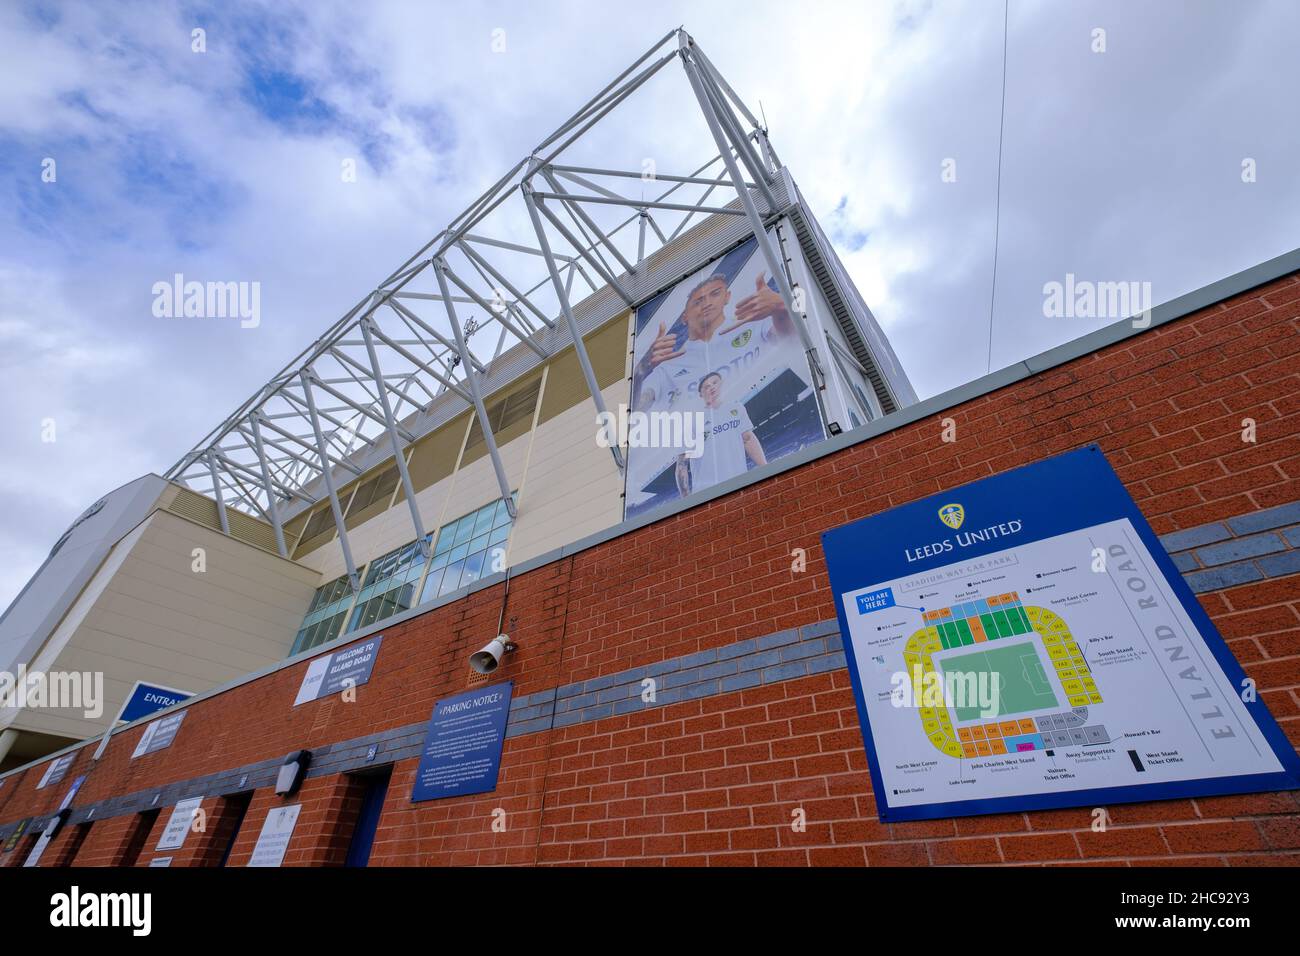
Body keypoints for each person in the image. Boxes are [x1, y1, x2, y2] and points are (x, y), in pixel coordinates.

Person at [633, 268, 796, 413]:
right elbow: (635, 410)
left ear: (727, 297)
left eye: (715, 294)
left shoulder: (753, 324)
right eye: (698, 302)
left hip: (765, 411)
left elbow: (792, 341)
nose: (707, 304)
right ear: (684, 316)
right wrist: (640, 371)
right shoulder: (667, 367)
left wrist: (781, 308)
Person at [676, 371, 767, 495]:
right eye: (706, 386)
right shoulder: (692, 421)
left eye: (714, 382)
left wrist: (766, 470)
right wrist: (685, 500)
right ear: (700, 394)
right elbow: (682, 464)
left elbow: (748, 439)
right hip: (707, 494)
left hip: (739, 485)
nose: (712, 387)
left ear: (721, 384)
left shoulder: (736, 408)